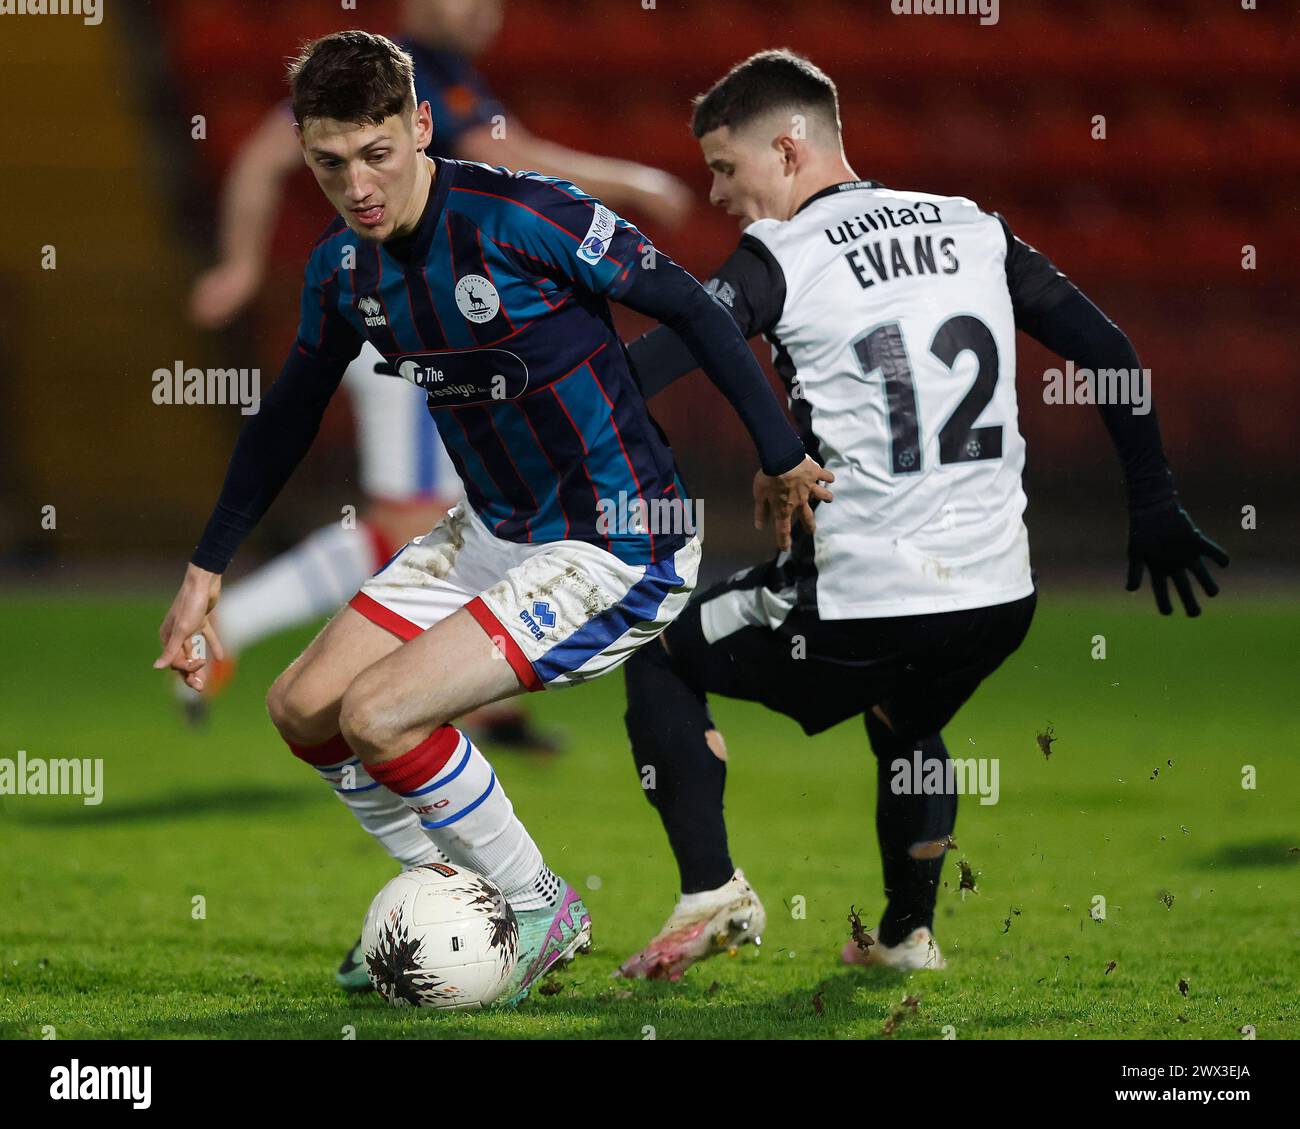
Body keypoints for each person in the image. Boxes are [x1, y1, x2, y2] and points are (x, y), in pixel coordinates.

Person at [154, 32, 831, 1006]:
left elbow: (693, 307)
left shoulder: (521, 217)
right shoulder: (345, 269)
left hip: (615, 544)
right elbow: (288, 417)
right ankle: (450, 895)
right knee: (300, 709)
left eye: (377, 154)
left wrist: (781, 455)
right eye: (329, 163)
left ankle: (535, 905)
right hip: (491, 534)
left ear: (420, 126)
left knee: (380, 716)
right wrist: (205, 572)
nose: (358, 187)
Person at [616, 50, 1229, 980]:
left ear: (787, 148)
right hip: (999, 599)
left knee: (658, 649)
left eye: (726, 169)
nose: (717, 193)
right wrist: (1153, 501)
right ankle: (905, 936)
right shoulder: (972, 226)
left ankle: (713, 891)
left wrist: (534, 393)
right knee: (905, 711)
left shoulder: (782, 254)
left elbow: (653, 366)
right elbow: (1106, 346)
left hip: (869, 592)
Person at [181, 0, 692, 754]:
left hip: (422, 330)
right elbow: (514, 151)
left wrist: (241, 263)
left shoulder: (398, 77)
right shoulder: (393, 80)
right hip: (415, 330)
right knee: (410, 520)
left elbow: (262, 155)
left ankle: (470, 696)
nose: (488, 14)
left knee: (443, 515)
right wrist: (634, 181)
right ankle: (260, 633)